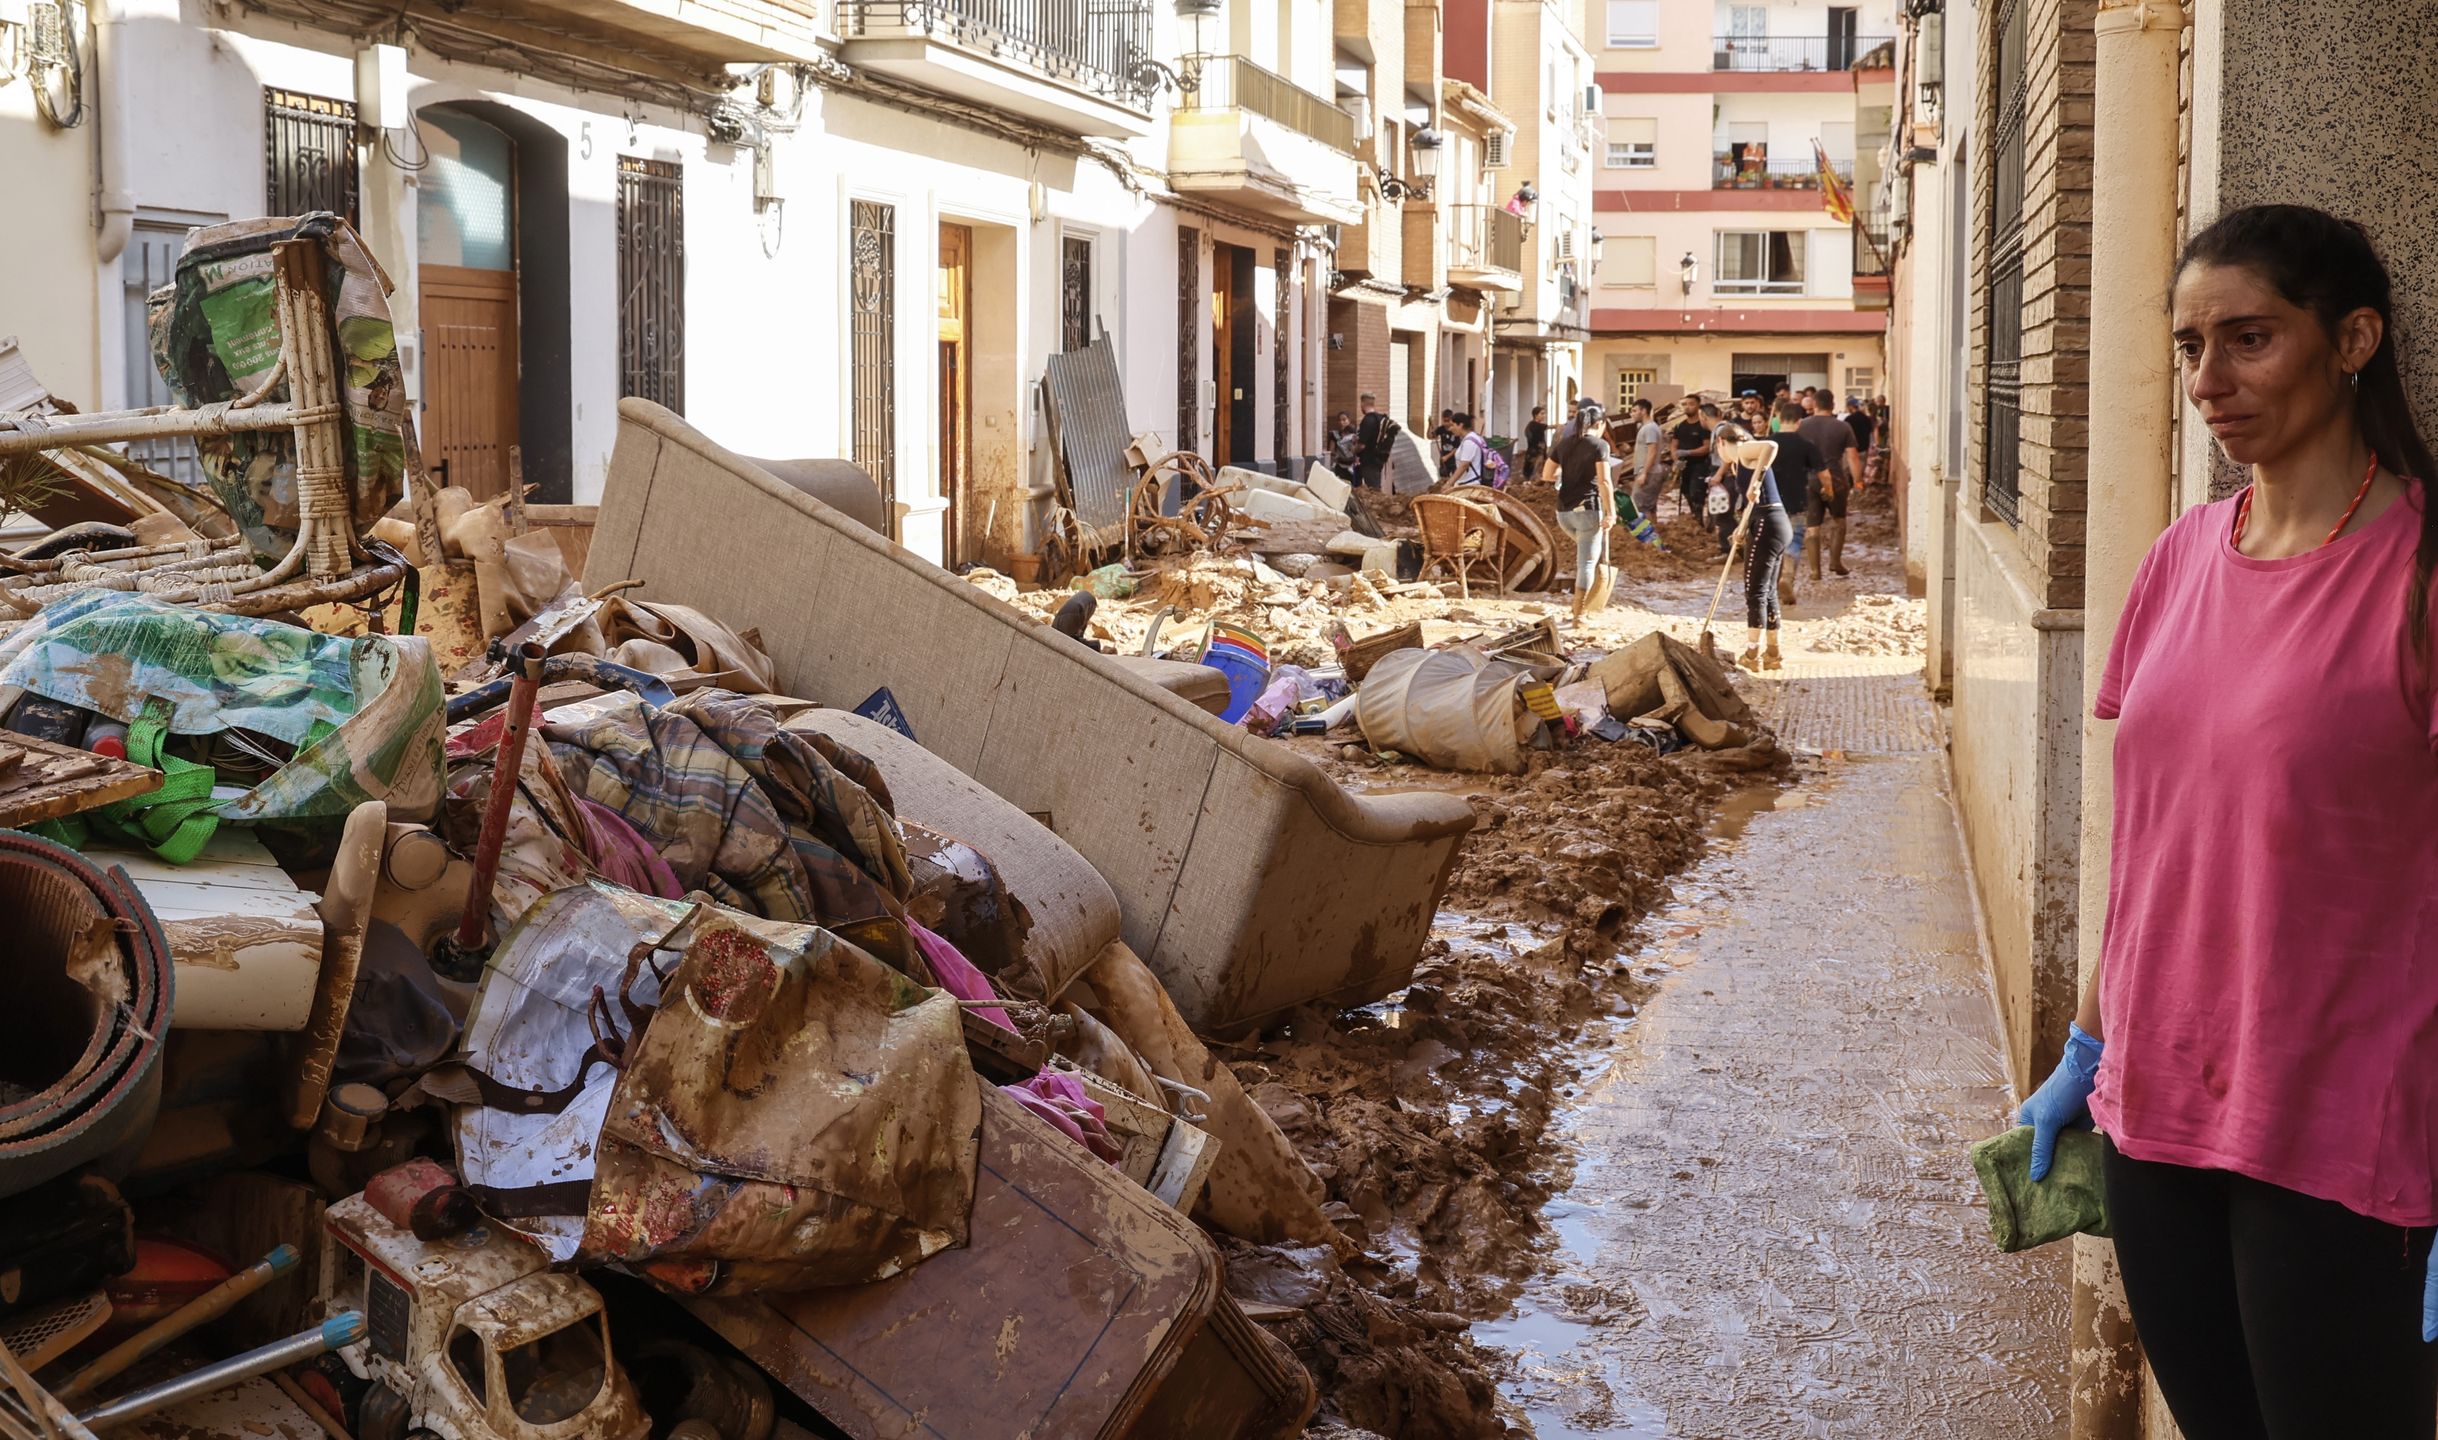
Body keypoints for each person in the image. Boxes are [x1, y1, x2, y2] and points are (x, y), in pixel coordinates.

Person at [2014, 204, 2438, 1440]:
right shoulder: (2178, 555)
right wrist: (2087, 1052)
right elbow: (2152, 844)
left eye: (2247, 339)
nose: (2208, 382)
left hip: (2343, 1133)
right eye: (2190, 346)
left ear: (2350, 337)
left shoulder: (2419, 578)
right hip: (2153, 1113)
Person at [1715, 425, 1791, 671]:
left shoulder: (1746, 450)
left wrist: (1756, 481)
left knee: (1754, 591)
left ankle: (1751, 654)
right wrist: (1742, 528)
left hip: (1769, 523)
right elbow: (1752, 505)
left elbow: (1772, 446)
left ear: (1721, 442)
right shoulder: (1739, 463)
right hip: (1771, 523)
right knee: (1767, 592)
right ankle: (1773, 652)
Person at [1549, 413, 1617, 624]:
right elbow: (1605, 481)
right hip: (1588, 510)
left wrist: (1568, 474)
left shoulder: (1563, 445)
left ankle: (1582, 602)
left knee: (1585, 556)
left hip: (1563, 513)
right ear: (1600, 424)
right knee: (1586, 563)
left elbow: (1546, 474)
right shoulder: (1600, 445)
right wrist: (1611, 513)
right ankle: (1579, 614)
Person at [1797, 390, 1859, 576]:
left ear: (1814, 405)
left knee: (1812, 525)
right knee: (1839, 520)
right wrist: (1859, 482)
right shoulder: (1843, 427)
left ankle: (1815, 570)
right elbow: (1853, 458)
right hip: (1835, 479)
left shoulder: (1801, 426)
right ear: (1832, 405)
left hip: (1808, 480)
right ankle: (1835, 562)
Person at [1769, 400, 1823, 607]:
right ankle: (1788, 577)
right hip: (1796, 503)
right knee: (1793, 542)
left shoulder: (1767, 444)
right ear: (1799, 422)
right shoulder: (1806, 446)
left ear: (1779, 420)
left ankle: (1772, 587)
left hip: (1770, 505)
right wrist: (1828, 489)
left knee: (1772, 546)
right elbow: (1823, 474)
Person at [1673, 402, 1716, 523]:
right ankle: (1694, 517)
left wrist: (1688, 453)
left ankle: (1700, 521)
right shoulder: (1680, 426)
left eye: (1691, 404)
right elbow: (1674, 445)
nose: (1687, 406)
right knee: (1686, 491)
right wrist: (1676, 460)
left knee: (1696, 493)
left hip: (1700, 465)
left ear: (1698, 407)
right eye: (1684, 404)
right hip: (1685, 466)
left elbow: (1706, 447)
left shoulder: (1703, 427)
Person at [1355, 393, 1399, 491]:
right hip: (1378, 460)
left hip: (1369, 461)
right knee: (1374, 487)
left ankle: (1379, 506)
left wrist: (1353, 450)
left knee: (1373, 489)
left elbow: (1362, 445)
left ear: (1362, 403)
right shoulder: (1380, 419)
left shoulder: (1367, 421)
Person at [1444, 412, 1489, 486]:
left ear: (1460, 425)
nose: (1450, 429)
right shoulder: (1472, 438)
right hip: (1466, 482)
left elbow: (1464, 465)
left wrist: (1449, 483)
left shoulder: (1469, 442)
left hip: (1469, 483)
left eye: (1452, 425)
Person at [1521, 404, 1552, 485]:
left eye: (1544, 414)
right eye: (1541, 414)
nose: (1543, 416)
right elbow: (1549, 427)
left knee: (1533, 472)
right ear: (1536, 415)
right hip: (1535, 454)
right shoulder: (1535, 425)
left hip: (1533, 453)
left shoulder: (1531, 425)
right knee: (1536, 472)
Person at [1328, 410, 1361, 484]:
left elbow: (1358, 448)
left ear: (1349, 420)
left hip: (1353, 466)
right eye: (1339, 420)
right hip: (1340, 465)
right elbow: (1331, 450)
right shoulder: (1335, 435)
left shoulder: (1355, 434)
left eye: (1344, 420)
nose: (1341, 422)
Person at [1844, 395, 1877, 459]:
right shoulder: (1866, 418)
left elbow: (1845, 435)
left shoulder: (1849, 419)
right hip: (1864, 450)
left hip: (1852, 451)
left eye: (1847, 407)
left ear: (1850, 407)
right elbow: (1870, 431)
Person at [1432, 410, 1458, 477]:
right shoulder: (1441, 429)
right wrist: (1430, 425)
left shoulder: (1456, 430)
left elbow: (1456, 448)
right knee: (1444, 480)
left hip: (1454, 460)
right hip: (1444, 459)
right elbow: (1430, 436)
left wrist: (1447, 457)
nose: (1446, 423)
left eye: (1448, 421)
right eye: (1444, 421)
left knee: (1454, 480)